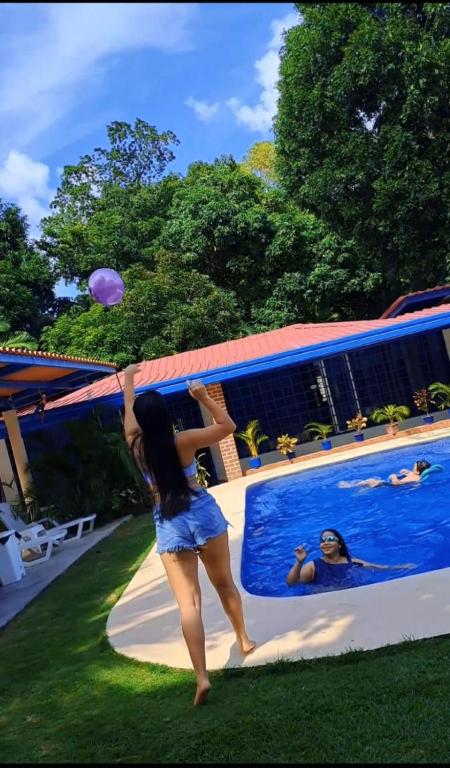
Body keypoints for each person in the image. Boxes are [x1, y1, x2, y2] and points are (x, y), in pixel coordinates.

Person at [123, 364, 255, 706]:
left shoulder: (137, 448)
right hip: (202, 513)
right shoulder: (184, 440)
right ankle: (243, 639)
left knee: (188, 603)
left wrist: (129, 380)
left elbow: (129, 419)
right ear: (166, 417)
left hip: (170, 521)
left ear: (142, 421)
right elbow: (228, 427)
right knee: (224, 583)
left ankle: (201, 677)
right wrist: (203, 397)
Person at [286, 528, 416, 587]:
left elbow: (378, 568)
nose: (325, 542)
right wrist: (299, 562)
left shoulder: (353, 562)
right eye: (322, 540)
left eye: (330, 539)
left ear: (339, 544)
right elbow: (291, 583)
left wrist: (401, 567)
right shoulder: (313, 566)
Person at [338, 459, 431, 489]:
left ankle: (350, 486)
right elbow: (411, 475)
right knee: (372, 482)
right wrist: (407, 472)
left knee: (371, 481)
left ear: (417, 470)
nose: (412, 467)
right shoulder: (416, 475)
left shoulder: (416, 478)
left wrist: (394, 476)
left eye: (414, 466)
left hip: (391, 485)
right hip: (393, 483)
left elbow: (397, 483)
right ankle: (363, 488)